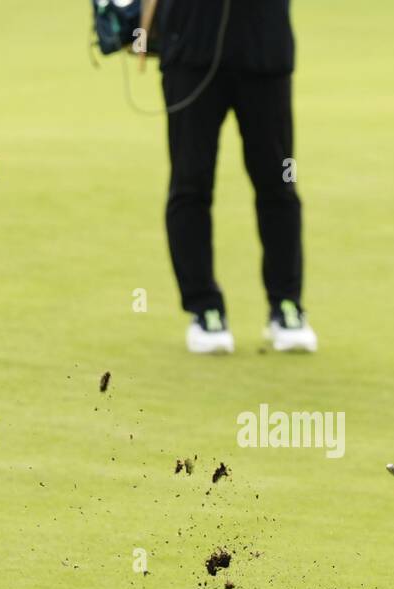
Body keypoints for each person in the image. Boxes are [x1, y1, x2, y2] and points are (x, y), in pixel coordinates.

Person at [143, 0, 316, 354]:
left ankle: (286, 306)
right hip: (191, 49)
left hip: (264, 51)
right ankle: (204, 309)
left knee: (278, 184)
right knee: (190, 184)